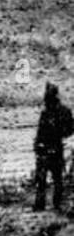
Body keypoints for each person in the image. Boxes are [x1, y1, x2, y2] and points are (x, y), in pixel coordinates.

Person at [34, 82, 74, 212]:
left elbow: (69, 130)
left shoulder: (58, 112)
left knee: (52, 179)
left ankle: (52, 204)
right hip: (49, 148)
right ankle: (50, 204)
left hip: (52, 148)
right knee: (49, 179)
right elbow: (40, 132)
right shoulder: (53, 112)